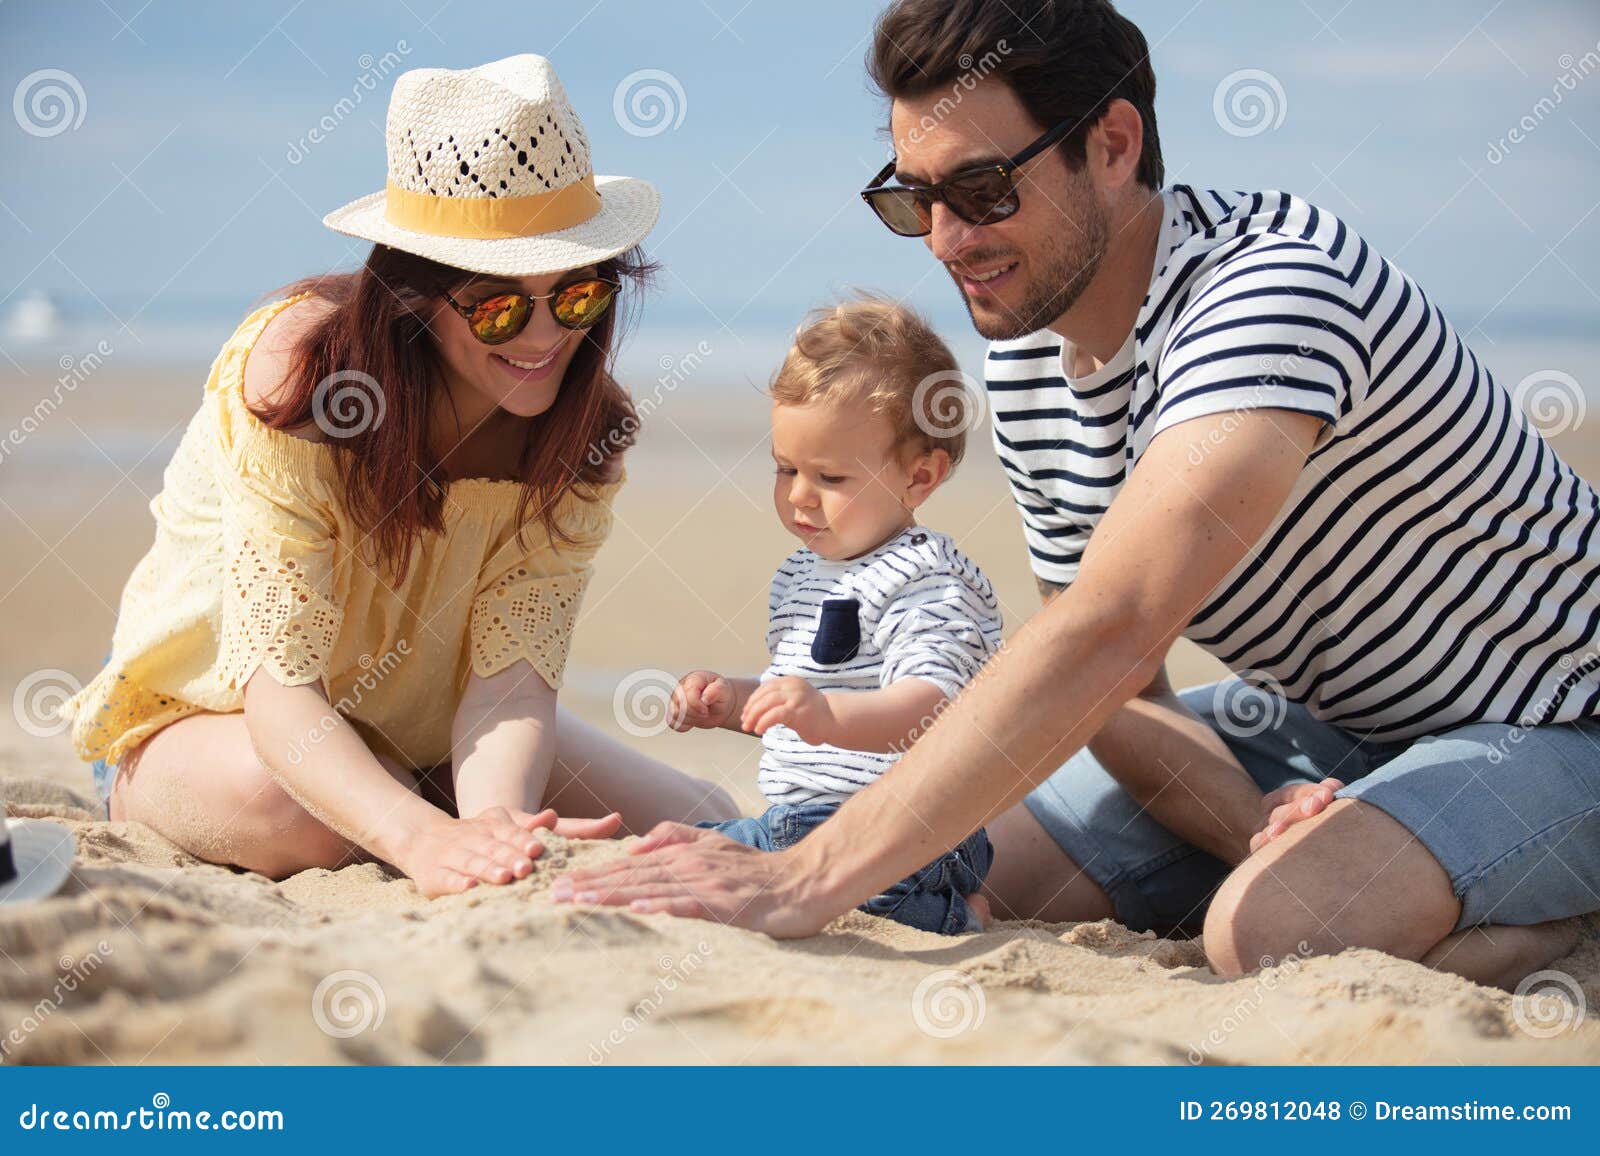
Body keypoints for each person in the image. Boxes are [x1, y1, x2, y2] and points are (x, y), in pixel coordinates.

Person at [554, 0, 1600, 990]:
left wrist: (802, 875)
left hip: (1561, 716)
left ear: (1111, 144)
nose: (946, 240)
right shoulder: (1029, 362)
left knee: (1270, 931)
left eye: (982, 191)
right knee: (968, 873)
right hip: (1337, 725)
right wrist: (1247, 824)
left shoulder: (1271, 292)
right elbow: (1119, 688)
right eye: (914, 199)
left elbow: (1108, 628)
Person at [52, 55, 737, 898]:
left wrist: (490, 828)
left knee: (704, 817)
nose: (545, 335)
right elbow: (280, 692)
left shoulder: (584, 433)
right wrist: (421, 838)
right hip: (216, 725)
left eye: (579, 295)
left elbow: (511, 680)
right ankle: (385, 798)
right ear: (417, 295)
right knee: (304, 811)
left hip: (429, 737)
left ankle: (415, 793)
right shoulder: (303, 388)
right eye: (498, 305)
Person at [669, 297, 1004, 934]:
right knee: (684, 851)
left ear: (919, 477)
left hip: (905, 830)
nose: (798, 495)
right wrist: (733, 701)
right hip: (795, 820)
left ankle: (961, 913)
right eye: (785, 468)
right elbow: (795, 705)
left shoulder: (927, 577)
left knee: (867, 900)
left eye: (830, 476)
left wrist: (826, 716)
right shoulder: (802, 574)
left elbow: (935, 706)